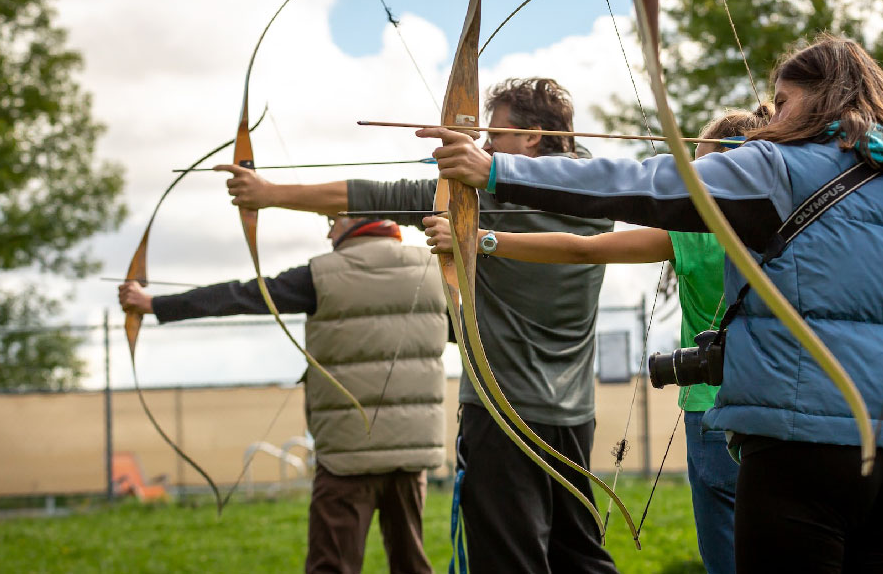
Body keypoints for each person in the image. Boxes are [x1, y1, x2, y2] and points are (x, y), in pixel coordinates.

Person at [418, 35, 883, 572]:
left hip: (799, 449)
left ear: (821, 99)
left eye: (784, 101)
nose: (771, 117)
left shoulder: (778, 168)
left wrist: (497, 170)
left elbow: (643, 181)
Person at [219, 78, 621, 573]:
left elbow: (375, 195)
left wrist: (268, 192)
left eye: (494, 135)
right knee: (579, 555)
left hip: (502, 416)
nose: (485, 146)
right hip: (575, 415)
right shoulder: (600, 193)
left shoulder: (483, 202)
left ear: (533, 136)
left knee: (508, 561)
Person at [423, 107, 770, 574]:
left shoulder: (699, 232)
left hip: (712, 413)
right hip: (783, 412)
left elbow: (581, 249)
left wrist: (479, 239)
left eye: (705, 170)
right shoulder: (799, 228)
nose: (698, 190)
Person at [118, 216, 446, 574]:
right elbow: (469, 333)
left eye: (333, 221)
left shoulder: (323, 274)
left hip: (347, 455)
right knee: (411, 563)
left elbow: (241, 295)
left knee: (331, 566)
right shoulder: (433, 271)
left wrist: (154, 304)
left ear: (356, 218)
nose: (329, 231)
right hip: (412, 456)